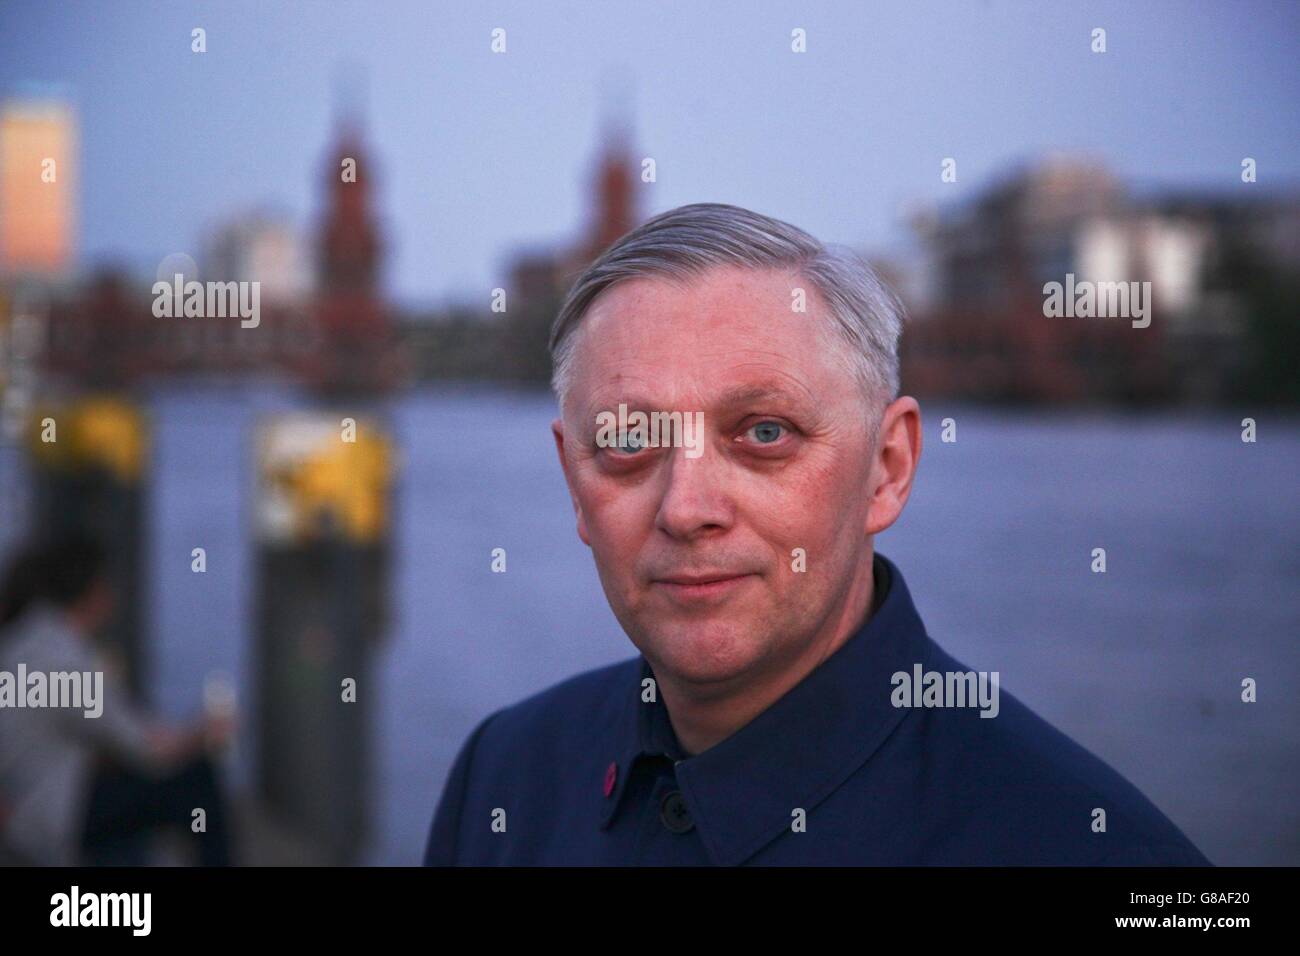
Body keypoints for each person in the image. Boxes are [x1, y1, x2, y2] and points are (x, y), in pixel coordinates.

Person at [423, 201, 1210, 866]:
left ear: (887, 468)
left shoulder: (1090, 850)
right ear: (574, 480)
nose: (685, 506)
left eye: (764, 432)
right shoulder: (504, 783)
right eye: (630, 440)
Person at [0, 533, 235, 865]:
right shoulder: (63, 660)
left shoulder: (27, 641)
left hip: (27, 808)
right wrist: (203, 732)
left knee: (133, 810)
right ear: (93, 593)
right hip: (52, 819)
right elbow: (146, 748)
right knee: (196, 780)